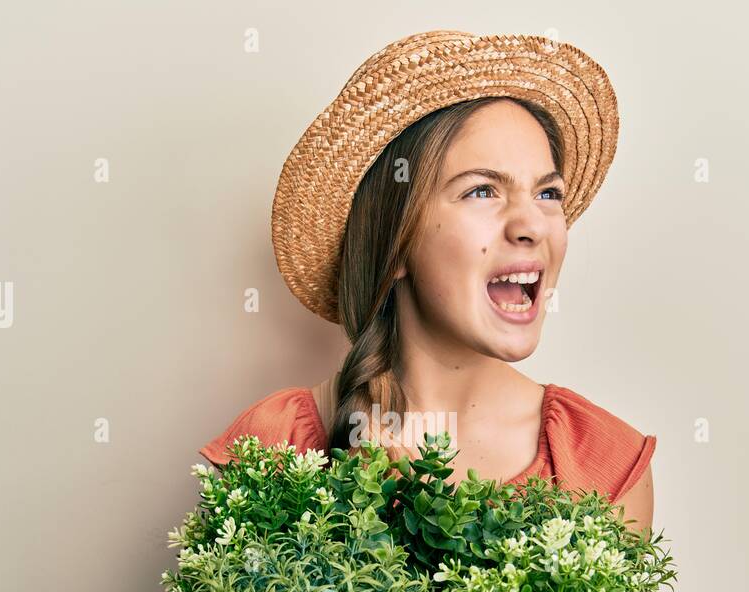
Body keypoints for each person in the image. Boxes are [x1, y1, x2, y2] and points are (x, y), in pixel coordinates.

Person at [199, 31, 656, 534]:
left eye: (548, 193)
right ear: (396, 244)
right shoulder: (270, 453)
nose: (531, 225)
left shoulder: (601, 464)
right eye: (482, 190)